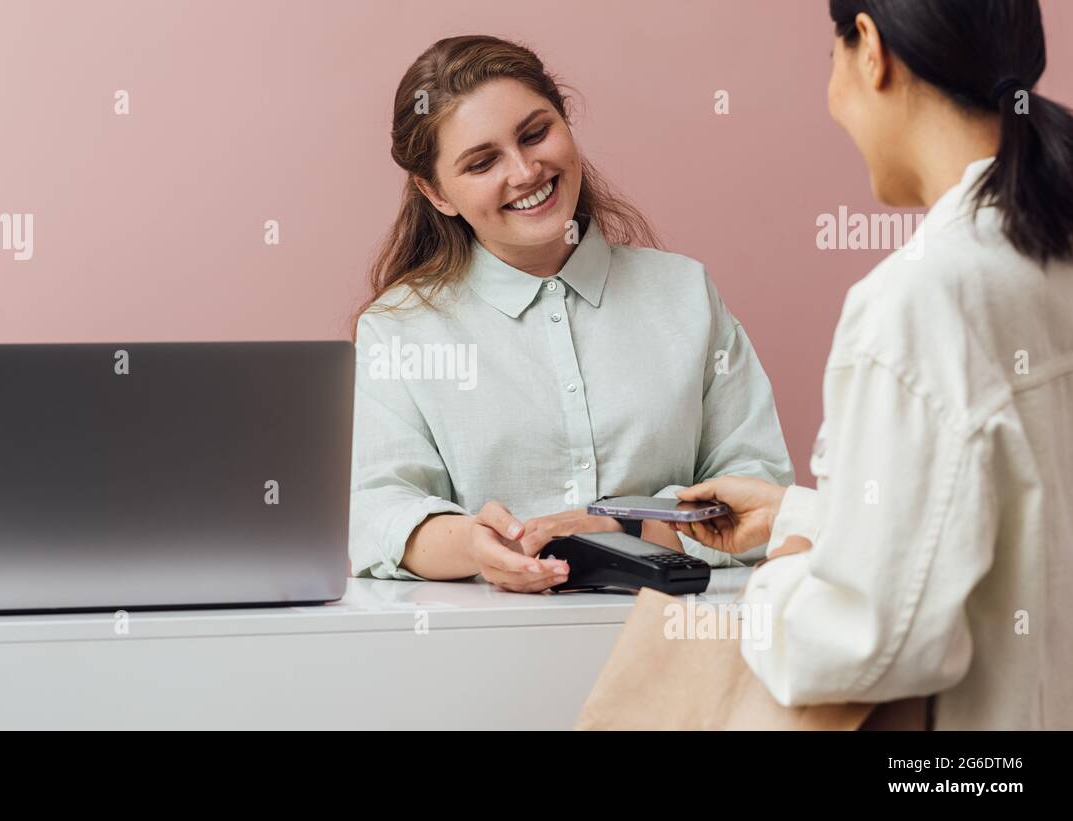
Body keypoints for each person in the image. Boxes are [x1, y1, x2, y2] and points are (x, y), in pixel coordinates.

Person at [671, 0, 1073, 729]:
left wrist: (784, 568)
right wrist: (798, 511)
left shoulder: (921, 298)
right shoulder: (1046, 252)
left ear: (869, 47)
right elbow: (1018, 519)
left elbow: (864, 642)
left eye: (831, 58)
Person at [348, 35, 793, 592]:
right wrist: (473, 545)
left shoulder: (685, 293)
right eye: (483, 162)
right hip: (478, 650)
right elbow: (378, 509)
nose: (525, 170)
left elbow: (758, 484)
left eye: (535, 133)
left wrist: (616, 528)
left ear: (566, 121)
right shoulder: (397, 328)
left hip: (673, 636)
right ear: (435, 192)